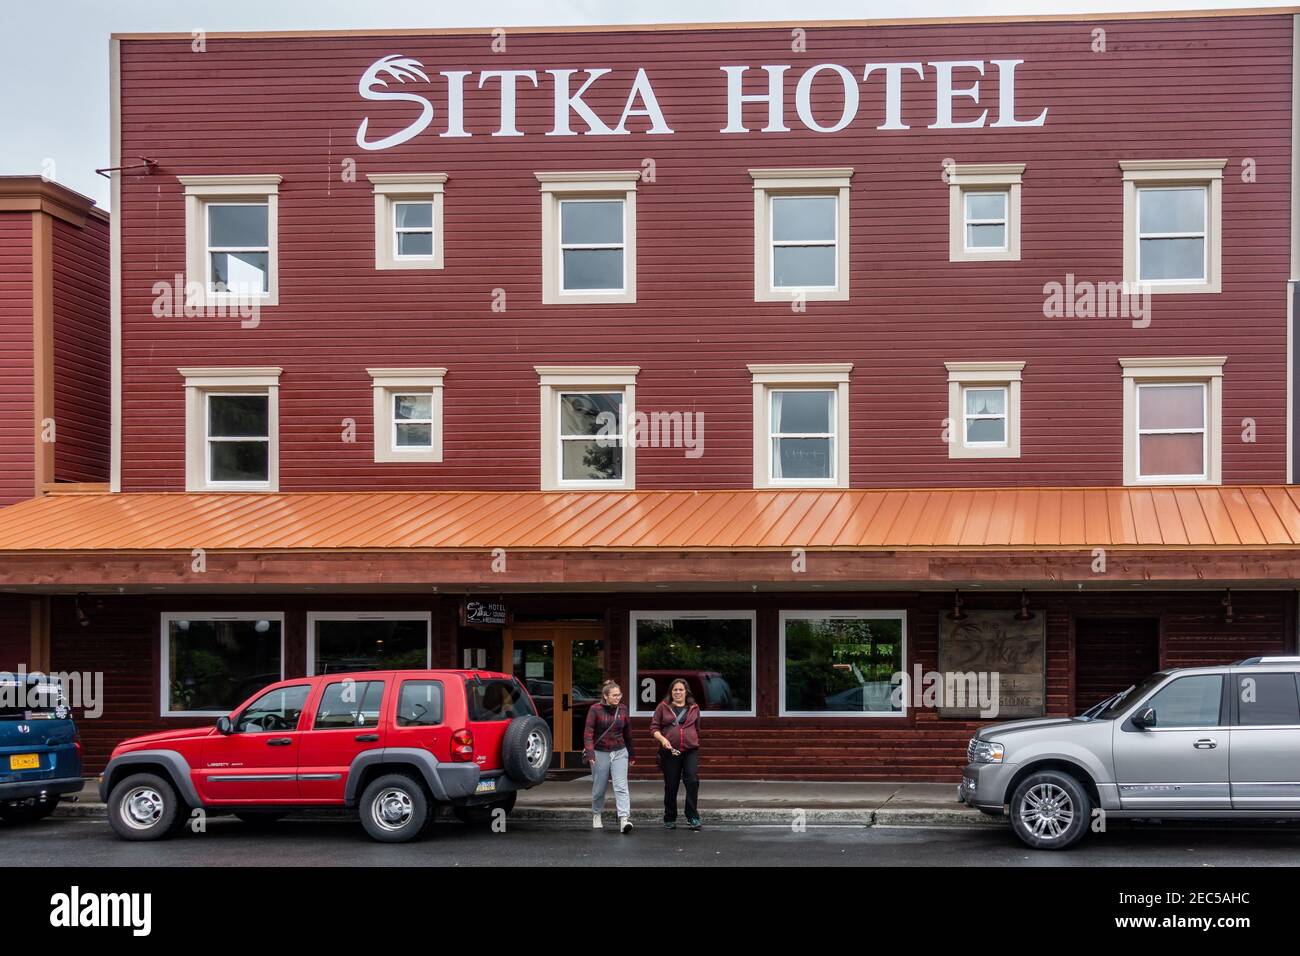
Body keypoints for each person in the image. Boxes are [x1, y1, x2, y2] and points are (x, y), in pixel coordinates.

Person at [583, 679, 635, 833]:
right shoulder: (595, 709)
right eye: (614, 695)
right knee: (599, 787)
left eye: (619, 695)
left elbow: (628, 733)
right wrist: (590, 752)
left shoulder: (623, 709)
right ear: (605, 696)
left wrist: (632, 754)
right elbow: (588, 733)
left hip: (620, 751)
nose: (618, 698)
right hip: (600, 752)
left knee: (621, 786)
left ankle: (624, 819)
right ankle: (597, 814)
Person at [650, 678, 702, 830]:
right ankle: (670, 817)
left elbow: (697, 728)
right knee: (671, 785)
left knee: (692, 781)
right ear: (671, 692)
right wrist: (662, 739)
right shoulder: (663, 707)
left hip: (690, 750)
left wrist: (692, 739)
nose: (678, 692)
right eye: (675, 690)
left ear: (686, 692)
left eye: (681, 690)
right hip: (670, 751)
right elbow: (654, 728)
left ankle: (692, 816)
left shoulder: (694, 707)